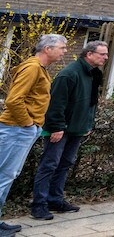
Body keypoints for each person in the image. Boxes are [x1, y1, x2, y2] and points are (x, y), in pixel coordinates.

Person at [30, 40, 108, 221]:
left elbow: (90, 102)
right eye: (102, 54)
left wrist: (87, 124)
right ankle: (38, 205)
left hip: (77, 129)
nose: (105, 57)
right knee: (49, 165)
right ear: (89, 54)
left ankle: (55, 200)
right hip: (59, 130)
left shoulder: (94, 73)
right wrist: (57, 127)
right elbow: (55, 104)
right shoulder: (69, 74)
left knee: (64, 165)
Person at [0, 34, 68, 235]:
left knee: (7, 175)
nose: (64, 51)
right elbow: (13, 100)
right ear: (48, 49)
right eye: (62, 48)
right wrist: (28, 124)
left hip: (20, 129)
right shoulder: (32, 68)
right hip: (17, 129)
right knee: (4, 175)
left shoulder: (39, 69)